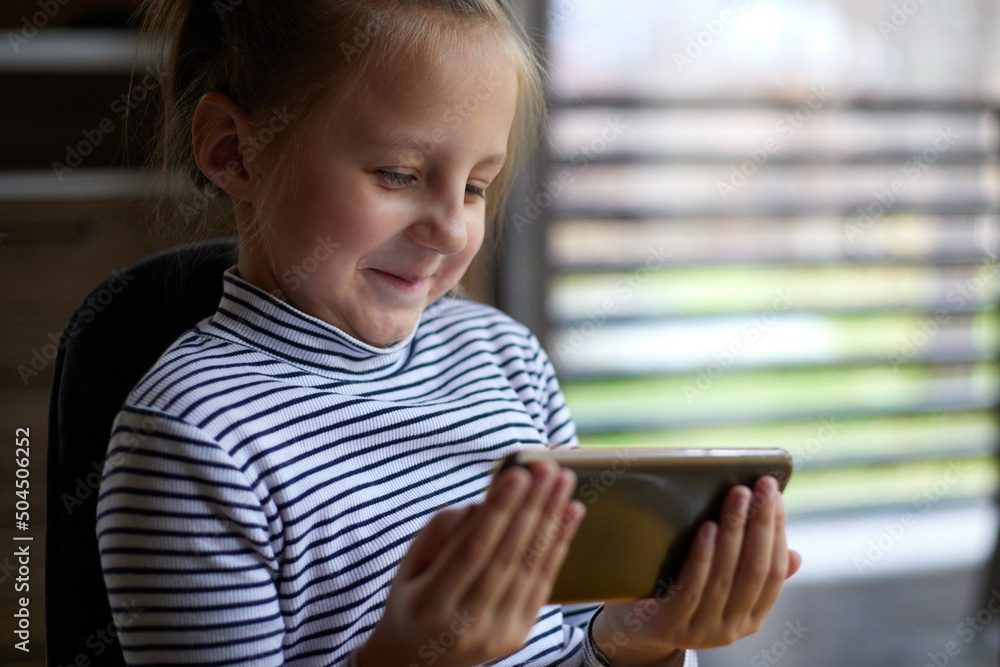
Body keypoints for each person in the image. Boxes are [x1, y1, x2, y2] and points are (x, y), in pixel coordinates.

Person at [96, 1, 801, 665]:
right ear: (234, 154)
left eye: (475, 187)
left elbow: (568, 645)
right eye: (399, 174)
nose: (452, 228)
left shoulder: (503, 356)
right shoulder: (194, 438)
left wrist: (633, 642)